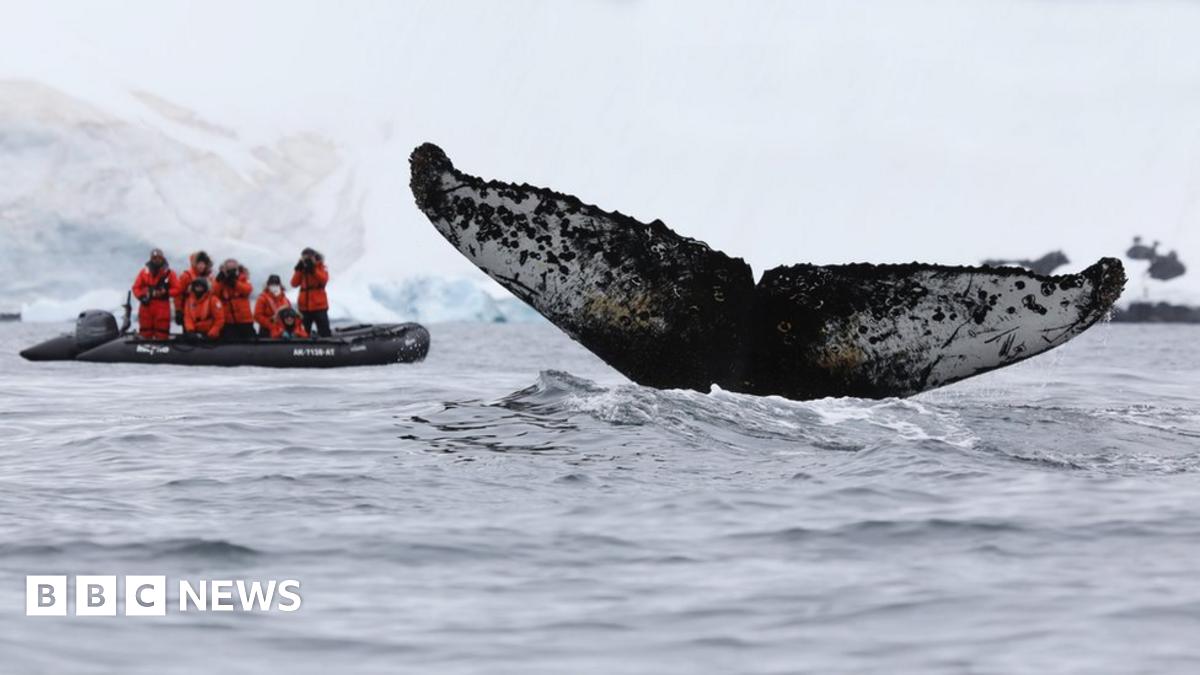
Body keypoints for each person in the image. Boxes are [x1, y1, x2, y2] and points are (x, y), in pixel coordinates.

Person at [131, 248, 179, 340]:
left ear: (162, 258)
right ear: (151, 259)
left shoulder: (169, 273)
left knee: (162, 333)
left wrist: (166, 292)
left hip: (162, 307)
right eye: (154, 258)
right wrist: (141, 296)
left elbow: (178, 288)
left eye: (159, 258)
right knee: (145, 332)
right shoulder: (144, 272)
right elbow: (136, 287)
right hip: (146, 305)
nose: (157, 260)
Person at [291, 247, 331, 337]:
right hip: (304, 307)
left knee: (324, 332)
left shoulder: (321, 267)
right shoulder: (302, 269)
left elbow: (324, 279)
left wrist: (313, 270)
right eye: (304, 257)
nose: (307, 259)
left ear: (314, 256)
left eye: (309, 257)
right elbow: (294, 283)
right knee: (303, 333)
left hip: (319, 306)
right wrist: (298, 270)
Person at [214, 258, 255, 341]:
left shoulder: (243, 278)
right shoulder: (220, 281)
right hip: (228, 322)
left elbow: (248, 290)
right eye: (229, 269)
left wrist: (234, 283)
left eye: (233, 269)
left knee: (251, 342)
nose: (231, 272)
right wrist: (220, 282)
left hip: (245, 320)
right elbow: (214, 293)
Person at [175, 251, 214, 326]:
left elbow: (213, 295)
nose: (201, 266)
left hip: (206, 315)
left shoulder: (210, 278)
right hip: (189, 314)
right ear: (195, 264)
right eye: (199, 264)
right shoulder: (186, 276)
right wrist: (178, 310)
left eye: (203, 264)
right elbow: (178, 294)